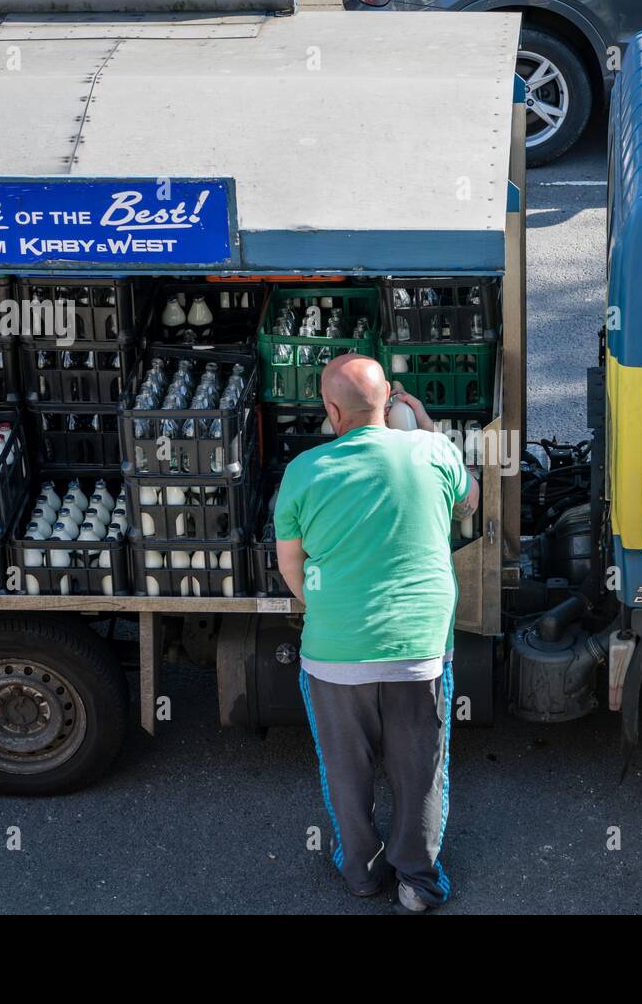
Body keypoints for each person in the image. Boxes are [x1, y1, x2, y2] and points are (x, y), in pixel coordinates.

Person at [273, 353, 478, 912]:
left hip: (334, 655)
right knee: (421, 770)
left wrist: (328, 608)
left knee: (346, 769)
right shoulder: (433, 451)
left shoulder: (304, 471)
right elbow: (470, 500)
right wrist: (430, 427)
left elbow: (292, 565)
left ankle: (363, 873)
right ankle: (417, 879)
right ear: (390, 399)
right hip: (419, 652)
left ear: (330, 410)